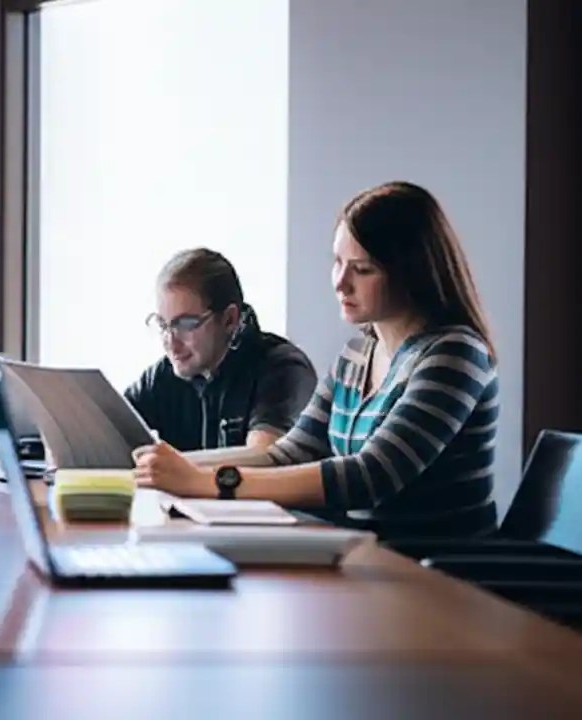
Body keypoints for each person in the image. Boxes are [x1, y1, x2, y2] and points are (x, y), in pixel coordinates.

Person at [135, 181, 500, 538]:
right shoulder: (357, 354)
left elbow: (369, 477)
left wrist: (204, 481)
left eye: (362, 269)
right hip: (371, 559)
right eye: (338, 262)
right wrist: (161, 470)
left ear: (411, 271)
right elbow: (290, 454)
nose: (340, 283)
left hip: (439, 574)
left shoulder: (455, 354)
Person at [125, 248, 316, 461]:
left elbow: (263, 458)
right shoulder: (161, 376)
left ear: (229, 320)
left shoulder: (283, 368)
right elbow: (108, 433)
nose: (172, 343)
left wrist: (171, 467)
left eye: (186, 324)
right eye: (162, 324)